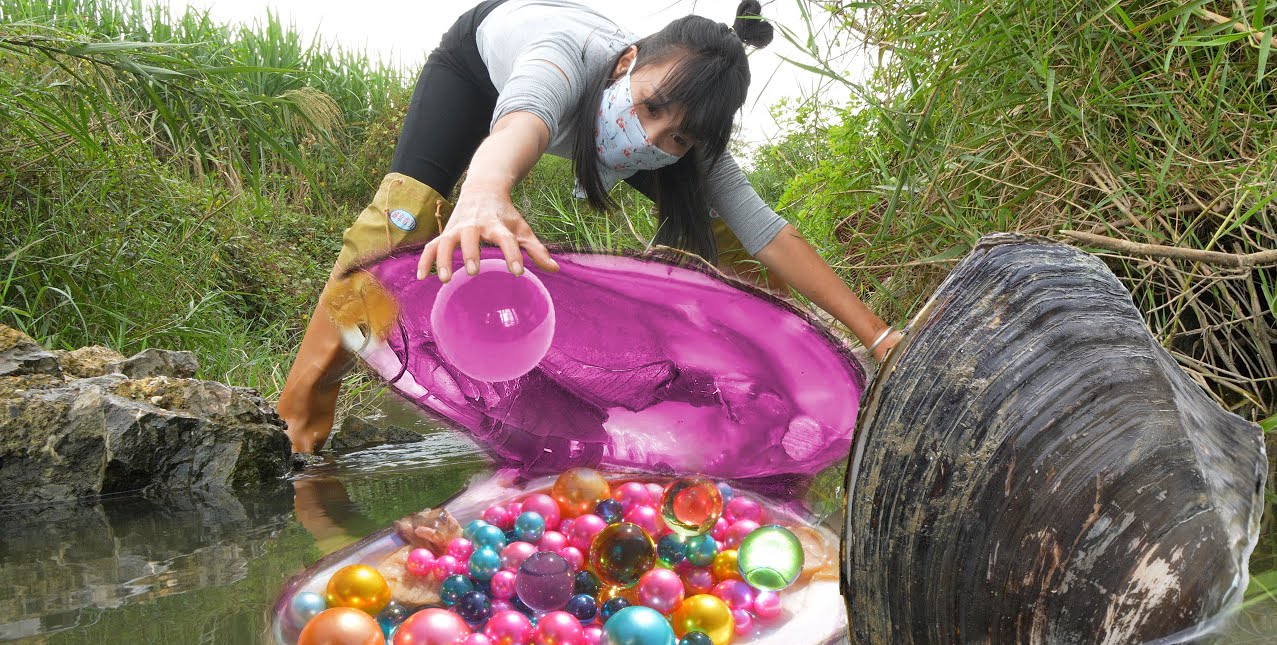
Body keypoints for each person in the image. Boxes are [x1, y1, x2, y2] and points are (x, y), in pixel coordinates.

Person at [276, 0, 902, 454]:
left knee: (733, 240)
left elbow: (773, 236)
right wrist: (485, 195)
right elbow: (517, 126)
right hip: (476, 71)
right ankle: (300, 417)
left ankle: (754, 390)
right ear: (628, 63)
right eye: (650, 108)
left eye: (676, 136)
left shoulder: (683, 139)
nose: (652, 137)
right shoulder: (561, 59)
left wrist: (877, 337)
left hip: (596, 106)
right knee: (397, 219)